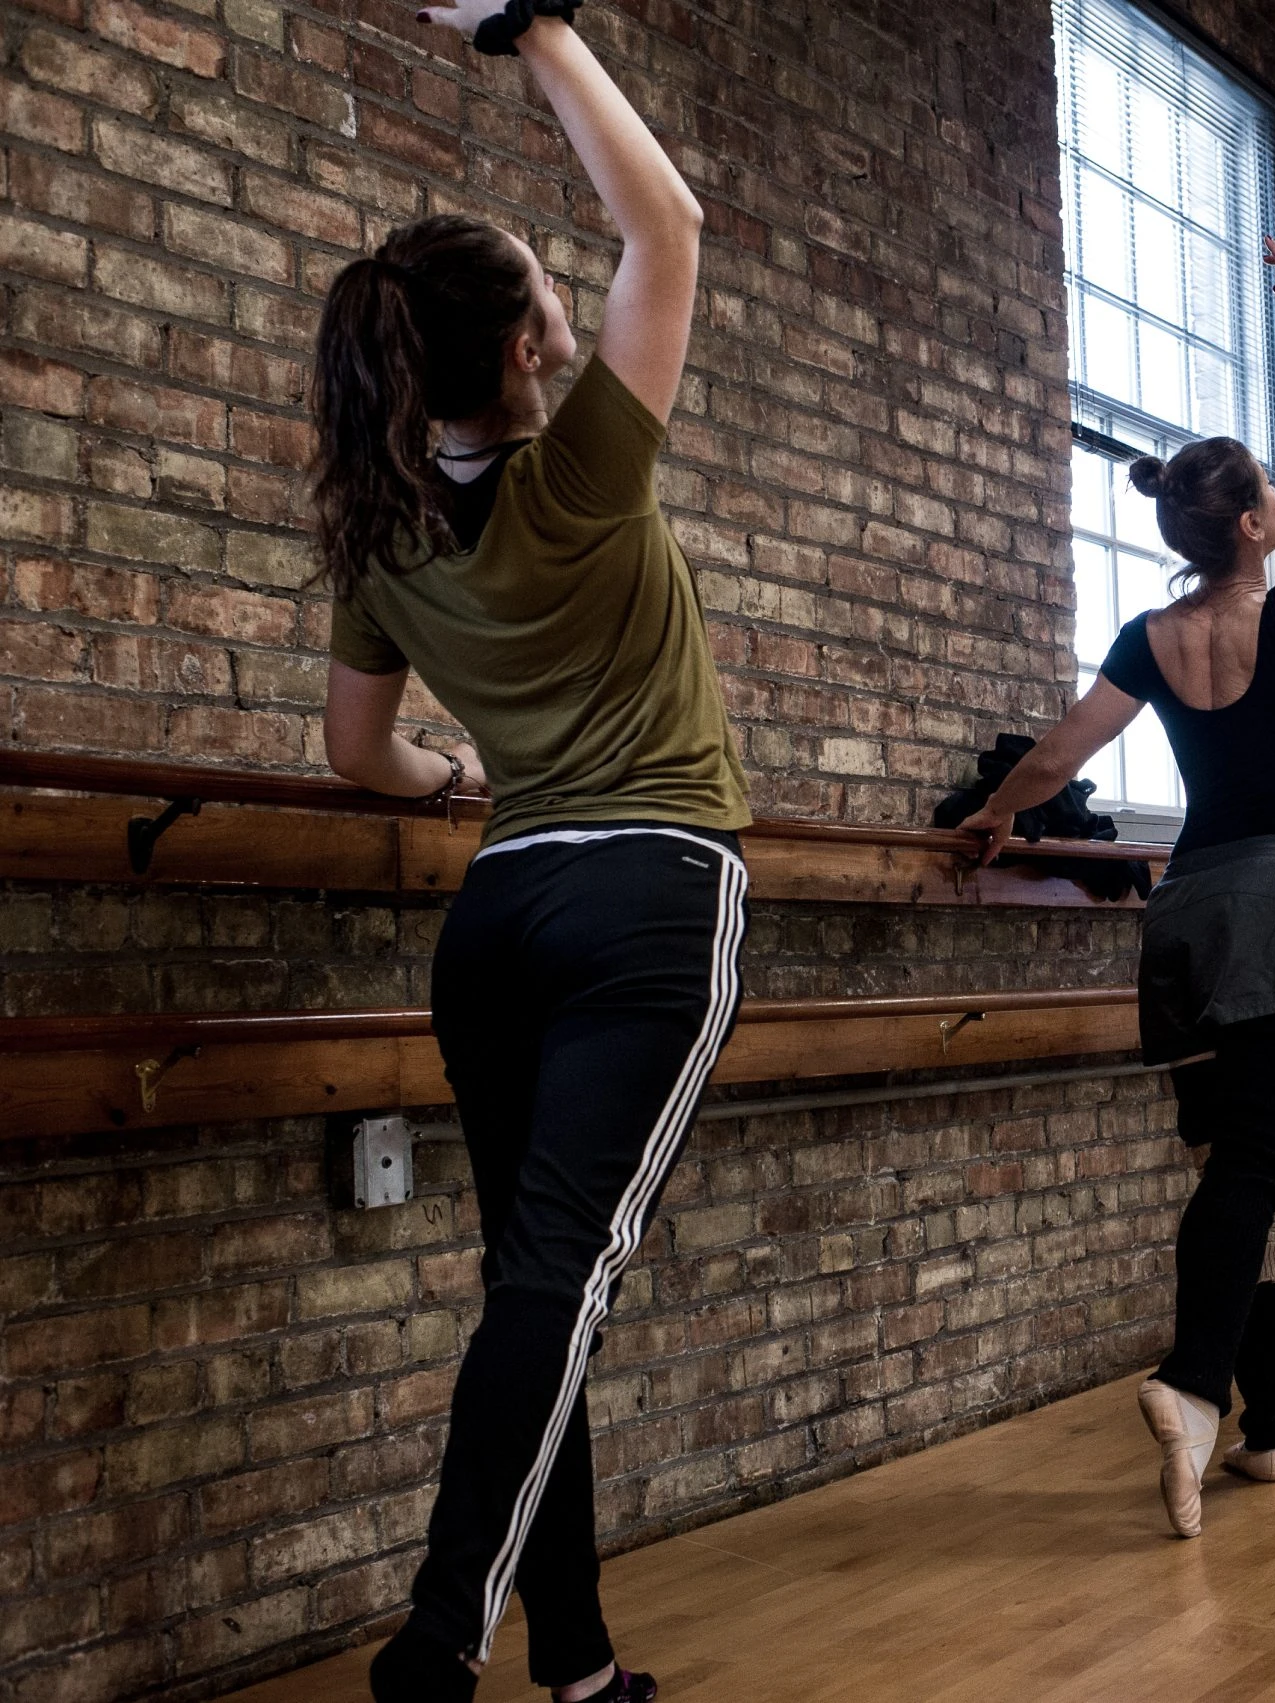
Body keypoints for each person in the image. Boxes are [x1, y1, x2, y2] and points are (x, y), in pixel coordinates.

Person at [313, 5, 732, 1700]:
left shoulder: (387, 529)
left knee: (534, 1294)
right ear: (530, 345)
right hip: (648, 895)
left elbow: (357, 750)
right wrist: (532, 26)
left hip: (497, 912)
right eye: (541, 286)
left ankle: (579, 1658)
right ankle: (438, 1636)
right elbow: (669, 225)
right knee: (551, 1286)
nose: (574, 293)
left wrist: (449, 769)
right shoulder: (590, 472)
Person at [956, 240, 1275, 1539]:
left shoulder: (1152, 636)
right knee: (1254, 1170)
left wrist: (991, 816)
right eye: (1271, 497)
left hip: (1187, 912)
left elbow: (1057, 755)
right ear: (1256, 523)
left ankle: (1271, 1425)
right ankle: (1194, 1384)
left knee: (1233, 1172)